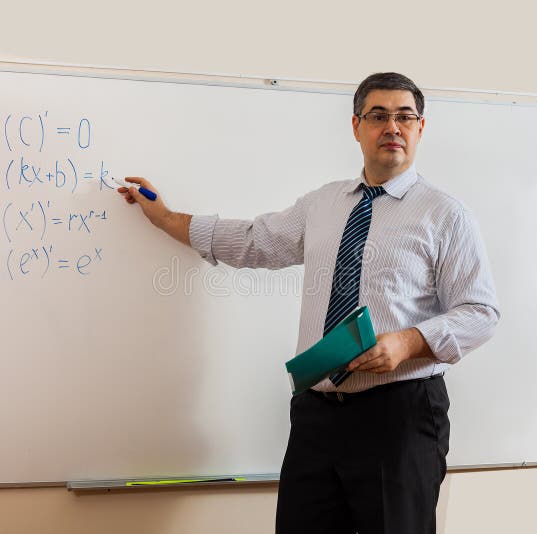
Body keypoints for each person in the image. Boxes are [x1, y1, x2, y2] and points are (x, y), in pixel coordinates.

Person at [118, 72, 500, 534]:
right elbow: (254, 241)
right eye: (379, 116)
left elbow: (480, 313)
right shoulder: (322, 204)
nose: (392, 127)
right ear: (356, 126)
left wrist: (409, 341)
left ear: (421, 128)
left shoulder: (447, 215)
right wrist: (165, 218)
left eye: (405, 117)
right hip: (317, 416)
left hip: (400, 415)